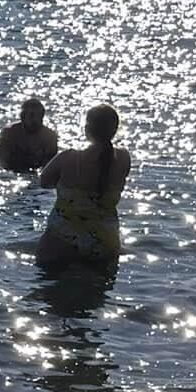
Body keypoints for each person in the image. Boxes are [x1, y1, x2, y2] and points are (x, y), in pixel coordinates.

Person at [37, 104, 131, 271]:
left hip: (63, 240)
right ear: (115, 130)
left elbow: (44, 182)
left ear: (87, 129)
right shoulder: (123, 158)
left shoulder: (68, 158)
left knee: (48, 282)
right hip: (105, 242)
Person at [0, 98, 60, 173]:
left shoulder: (50, 137)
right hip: (13, 169)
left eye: (39, 116)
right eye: (31, 115)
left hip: (36, 171)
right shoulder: (10, 133)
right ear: (23, 117)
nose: (35, 119)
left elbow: (50, 166)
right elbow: (0, 160)